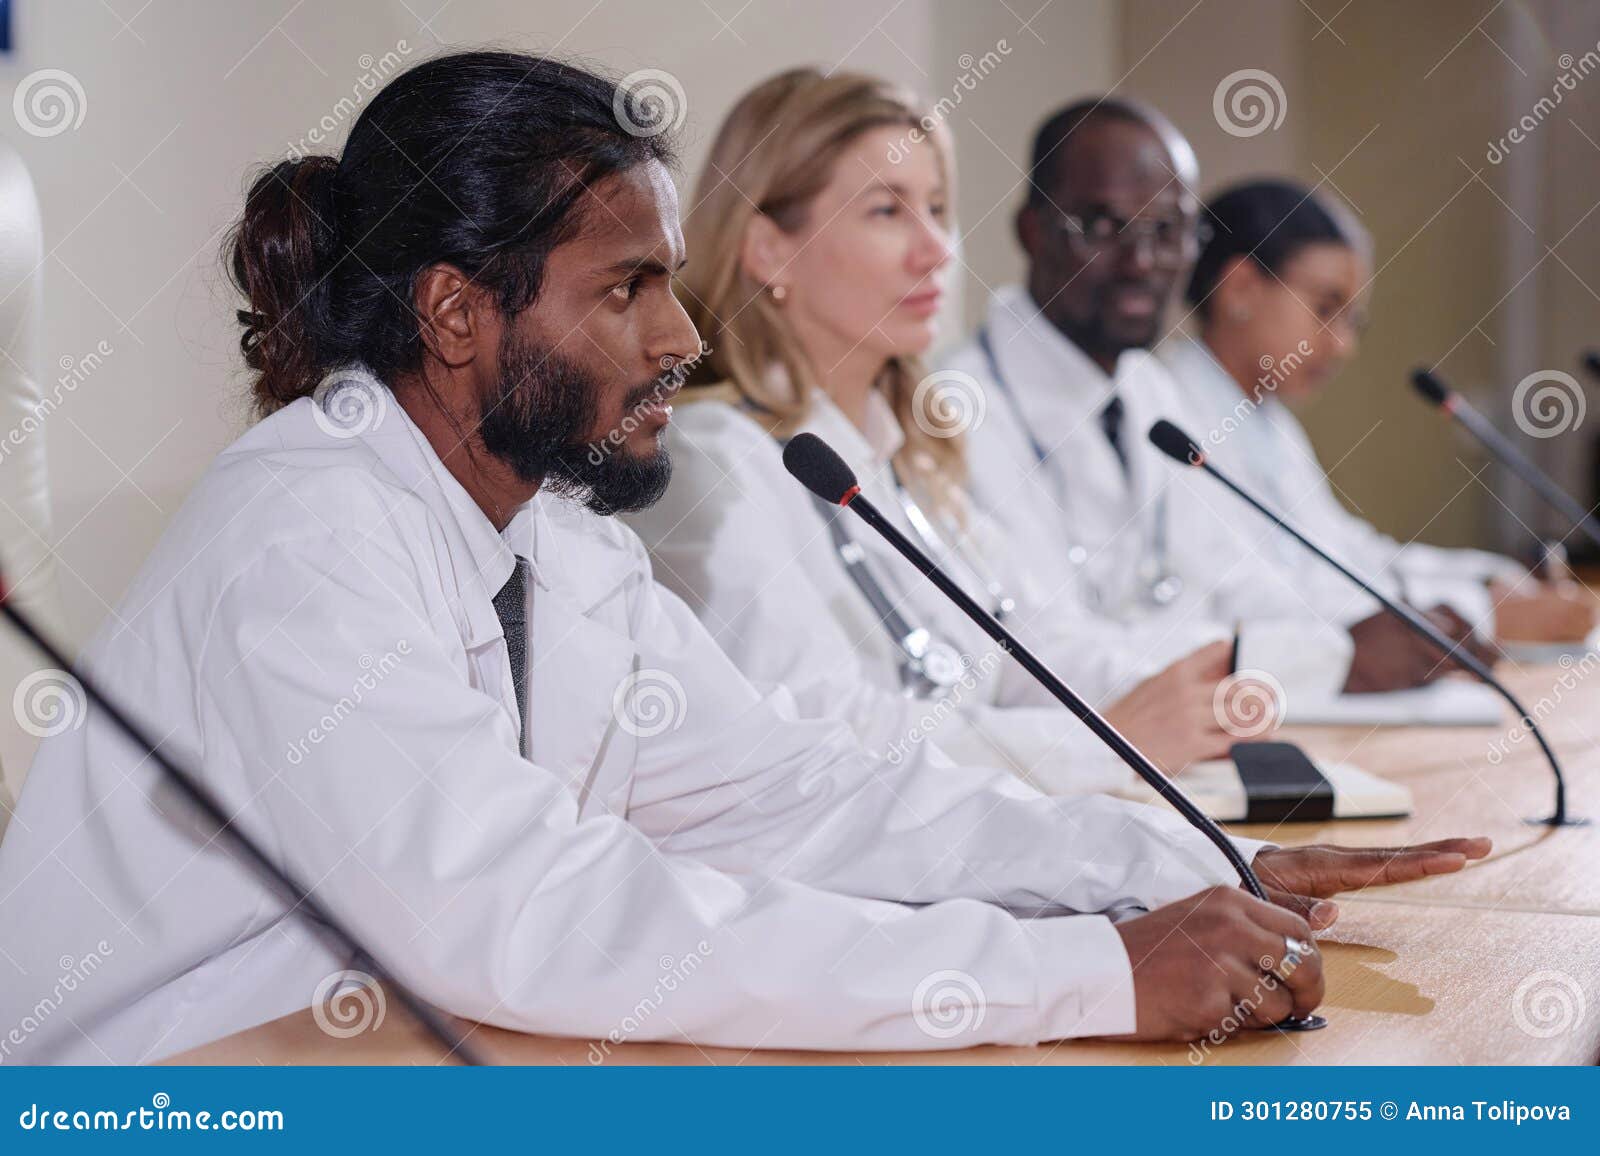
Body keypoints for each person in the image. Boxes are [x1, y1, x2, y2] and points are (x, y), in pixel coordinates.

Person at [0, 52, 1489, 1064]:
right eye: (627, 288)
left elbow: (807, 797)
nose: (683, 337)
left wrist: (1179, 861)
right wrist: (1095, 976)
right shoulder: (305, 530)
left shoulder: (561, 544)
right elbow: (535, 917)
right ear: (460, 315)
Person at [628, 68, 1246, 792]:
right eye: (887, 213)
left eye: (938, 209)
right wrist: (1110, 745)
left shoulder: (910, 453)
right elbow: (815, 732)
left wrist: (1202, 689)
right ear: (769, 249)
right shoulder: (713, 460)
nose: (937, 250)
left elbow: (1026, 651)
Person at [941, 97, 1489, 695]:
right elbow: (1036, 660)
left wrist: (1363, 639)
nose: (1143, 262)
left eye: (1169, 231)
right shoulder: (958, 411)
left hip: (1192, 732)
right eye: (1104, 226)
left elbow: (1232, 580)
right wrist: (1327, 663)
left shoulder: (1145, 392)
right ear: (1032, 231)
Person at [1163, 177, 1596, 662]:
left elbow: (1348, 554)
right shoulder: (1167, 415)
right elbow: (1246, 602)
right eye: (1326, 309)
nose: (1343, 346)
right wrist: (1482, 612)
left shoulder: (1270, 422)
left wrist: (1487, 578)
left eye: (1353, 322)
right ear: (1240, 287)